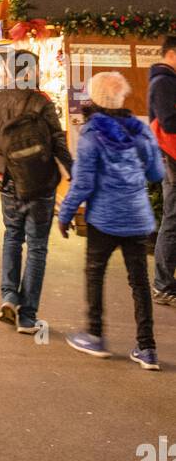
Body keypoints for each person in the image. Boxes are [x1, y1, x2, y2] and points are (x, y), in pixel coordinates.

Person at [60, 72, 164, 369]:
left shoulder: (92, 135)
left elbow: (82, 183)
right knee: (139, 281)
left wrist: (66, 214)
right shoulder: (140, 132)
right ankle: (147, 348)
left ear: (94, 98)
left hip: (104, 218)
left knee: (95, 273)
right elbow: (156, 173)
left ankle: (95, 334)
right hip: (136, 216)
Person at [0, 50, 72, 334]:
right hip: (41, 183)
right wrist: (73, 171)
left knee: (12, 237)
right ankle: (28, 317)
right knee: (38, 246)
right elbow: (58, 142)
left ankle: (8, 297)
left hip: (9, 180)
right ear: (30, 71)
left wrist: (8, 155)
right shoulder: (41, 101)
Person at [148, 35, 176, 305]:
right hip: (172, 157)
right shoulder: (163, 82)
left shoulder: (165, 81)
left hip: (169, 157)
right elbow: (168, 122)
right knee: (173, 219)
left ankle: (165, 283)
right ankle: (164, 284)